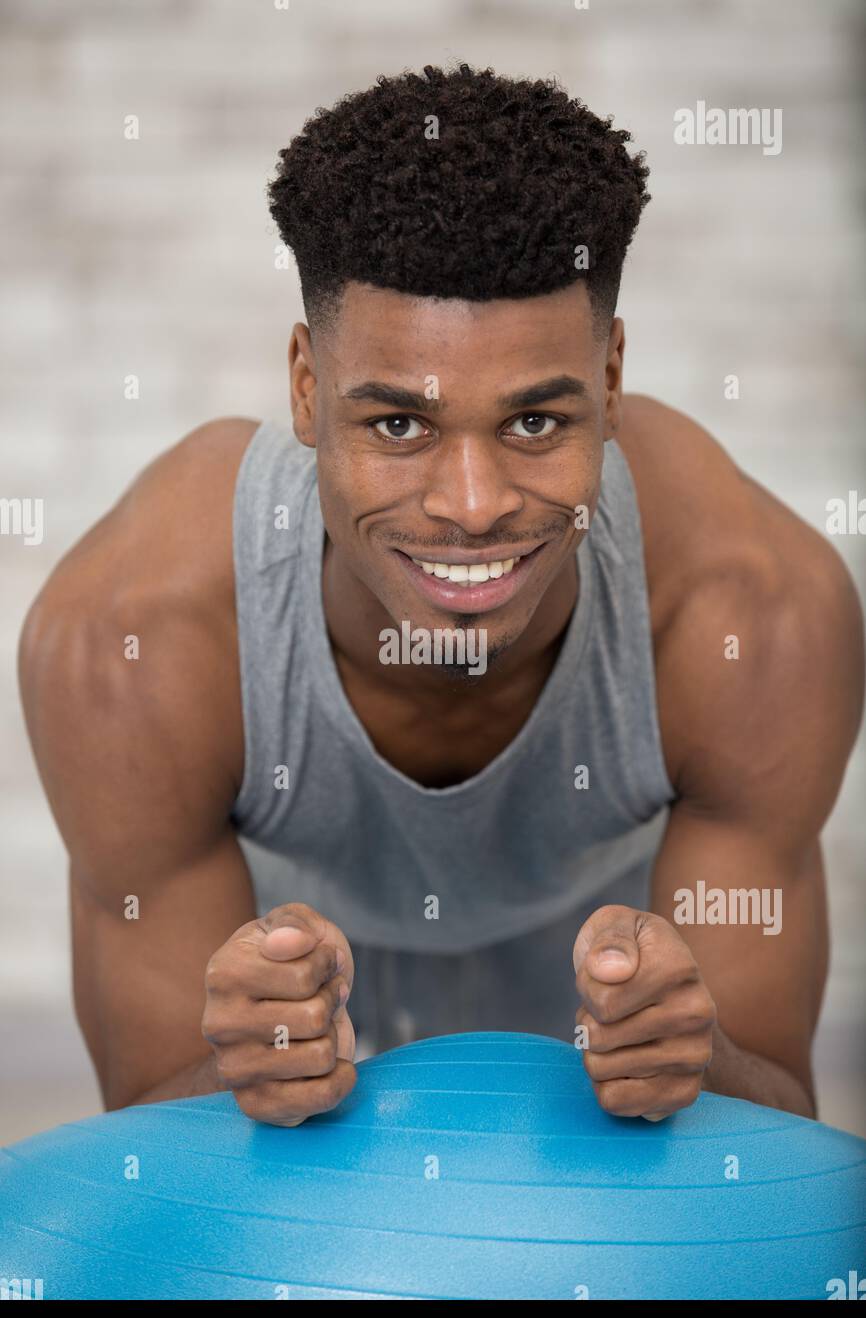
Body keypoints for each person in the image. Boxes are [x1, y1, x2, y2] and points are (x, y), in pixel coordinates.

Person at [19, 64, 863, 1128]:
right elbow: (147, 1129)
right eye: (398, 426)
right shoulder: (128, 642)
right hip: (293, 979)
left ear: (608, 383)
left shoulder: (757, 618)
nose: (471, 509)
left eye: (533, 423)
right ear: (305, 391)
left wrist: (692, 1059)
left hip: (602, 974)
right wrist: (242, 1077)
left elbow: (777, 1116)